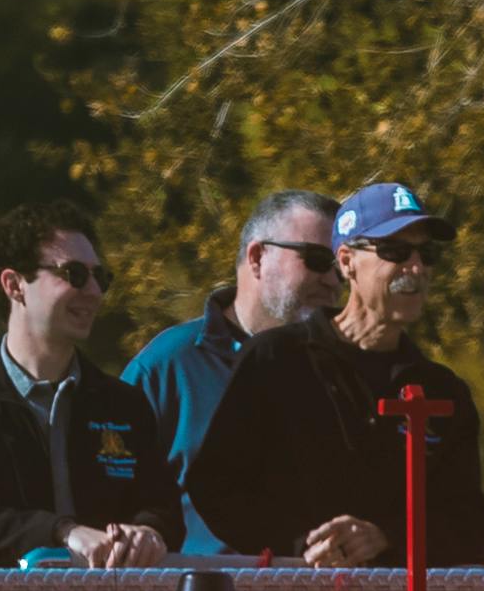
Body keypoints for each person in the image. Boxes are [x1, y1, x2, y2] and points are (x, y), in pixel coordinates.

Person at [182, 180, 484, 569]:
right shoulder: (276, 360)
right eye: (394, 251)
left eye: (426, 253)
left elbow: (466, 518)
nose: (415, 267)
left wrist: (384, 537)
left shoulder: (442, 391)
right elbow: (216, 487)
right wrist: (303, 544)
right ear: (346, 262)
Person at [0, 208, 183, 568]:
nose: (95, 291)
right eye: (75, 274)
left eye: (101, 277)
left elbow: (162, 506)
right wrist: (62, 533)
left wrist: (149, 532)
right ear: (14, 285)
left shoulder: (123, 405)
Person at [121, 188, 340, 551]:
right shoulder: (167, 366)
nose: (333, 281)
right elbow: (113, 496)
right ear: (257, 258)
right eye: (317, 260)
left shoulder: (343, 371)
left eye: (340, 266)